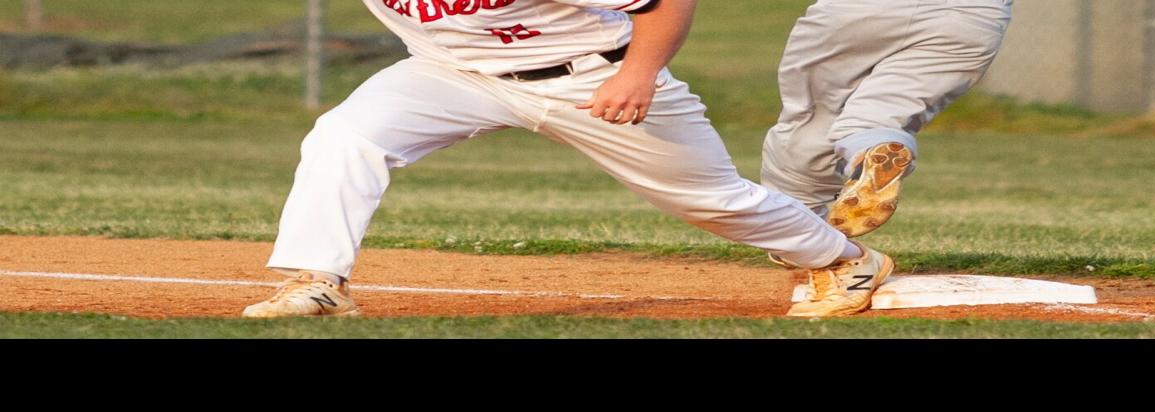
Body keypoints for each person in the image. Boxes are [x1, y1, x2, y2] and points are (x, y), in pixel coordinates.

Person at [243, 0, 892, 320]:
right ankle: (317, 281)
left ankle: (846, 260)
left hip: (594, 77)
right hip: (452, 73)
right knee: (345, 135)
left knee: (707, 199)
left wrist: (639, 73)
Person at [762, 0, 1013, 237]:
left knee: (814, 120)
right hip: (973, 16)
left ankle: (798, 234)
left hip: (863, 10)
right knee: (885, 111)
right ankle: (871, 147)